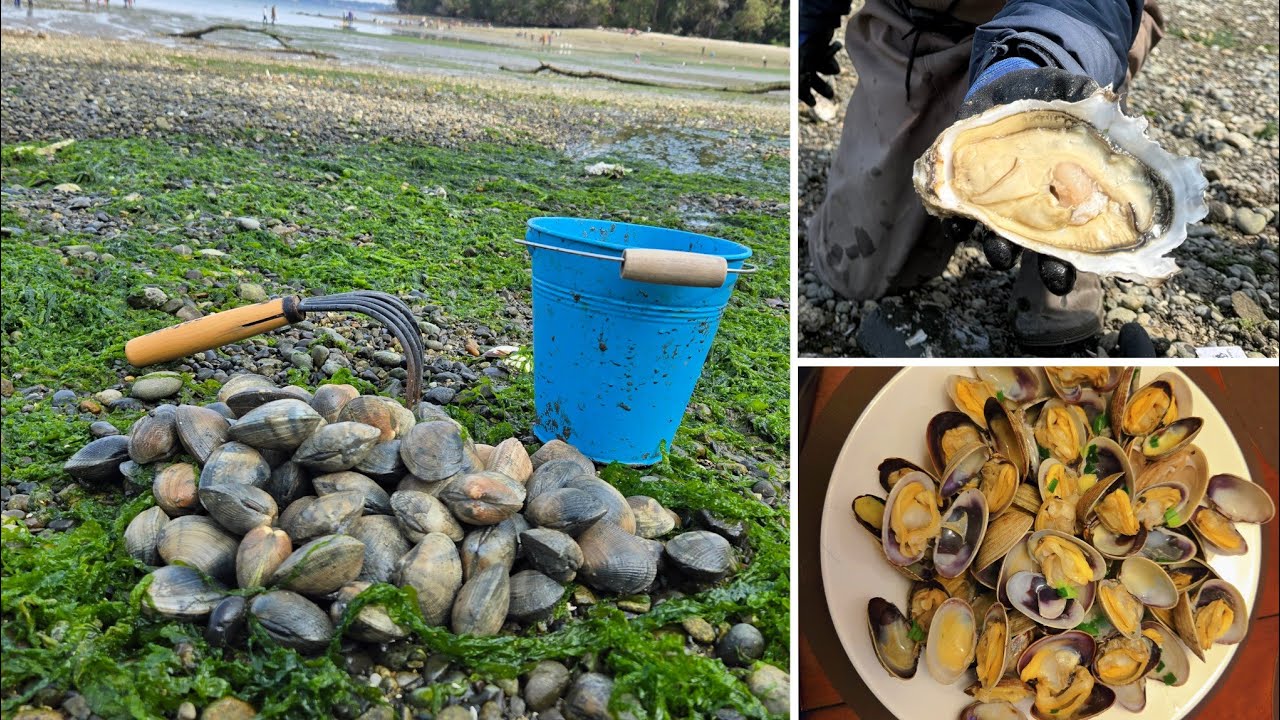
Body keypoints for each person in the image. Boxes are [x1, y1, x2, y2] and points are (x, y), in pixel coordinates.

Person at [800, 0, 1165, 350]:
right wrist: (807, 31)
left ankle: (1084, 117)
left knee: (1073, 61)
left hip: (1071, 13)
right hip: (913, 24)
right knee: (855, 272)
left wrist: (1035, 60)